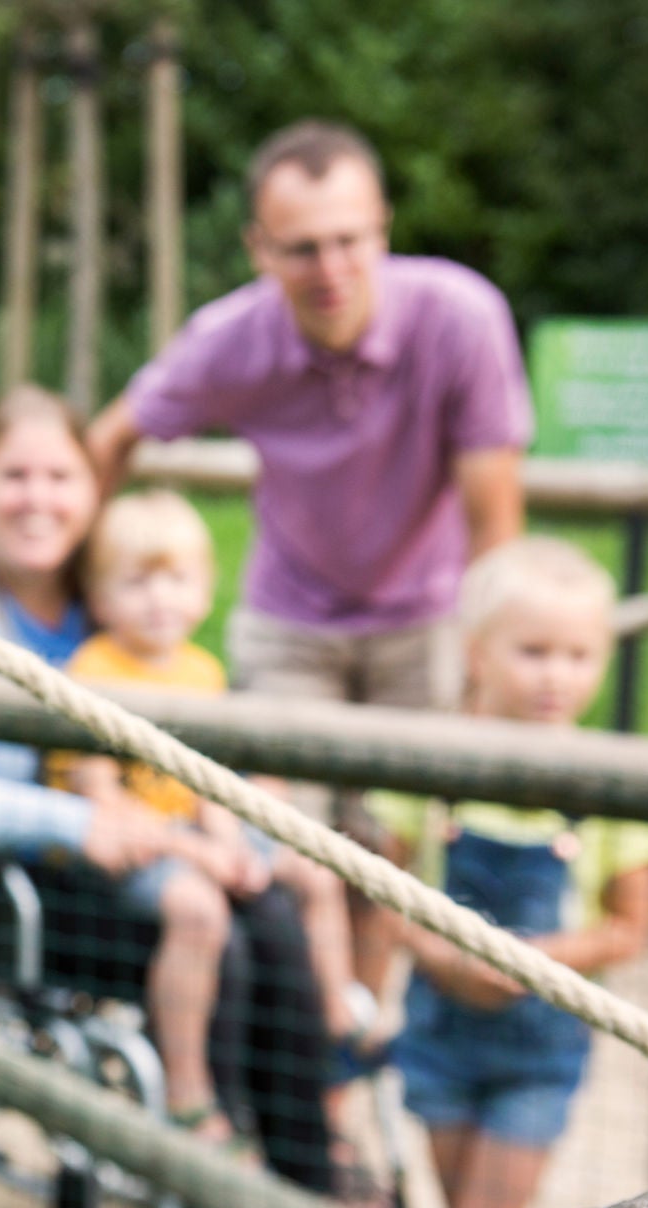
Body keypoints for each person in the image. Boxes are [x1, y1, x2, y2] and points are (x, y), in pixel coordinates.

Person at [0, 388, 334, 1208]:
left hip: (141, 850)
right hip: (17, 876)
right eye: (16, 476)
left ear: (93, 488)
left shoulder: (110, 585)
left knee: (272, 910)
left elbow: (187, 738)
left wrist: (249, 831)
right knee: (219, 946)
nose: (39, 499)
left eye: (60, 476)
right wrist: (77, 823)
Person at [85, 117, 535, 995]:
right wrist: (69, 588)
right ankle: (310, 1070)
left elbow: (495, 520)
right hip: (292, 620)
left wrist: (488, 668)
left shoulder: (460, 318)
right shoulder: (232, 336)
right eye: (301, 249)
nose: (330, 270)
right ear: (259, 248)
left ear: (383, 229)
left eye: (347, 241)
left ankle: (364, 1039)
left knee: (395, 858)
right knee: (289, 849)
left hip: (426, 615)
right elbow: (111, 437)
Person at [368, 538, 648, 1208]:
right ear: (477, 653)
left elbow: (631, 925)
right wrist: (443, 957)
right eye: (534, 651)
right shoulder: (432, 762)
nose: (557, 676)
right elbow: (381, 891)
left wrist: (533, 960)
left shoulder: (612, 782)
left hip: (538, 1050)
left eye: (578, 655)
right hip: (439, 1033)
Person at [44, 489, 365, 1141]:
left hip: (192, 829)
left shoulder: (201, 670)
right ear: (100, 597)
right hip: (128, 843)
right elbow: (99, 793)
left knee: (315, 873)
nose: (159, 598)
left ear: (204, 589)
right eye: (138, 582)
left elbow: (210, 784)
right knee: (200, 911)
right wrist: (201, 854)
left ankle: (338, 1018)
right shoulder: (93, 669)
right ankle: (188, 1082)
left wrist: (233, 844)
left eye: (177, 579)